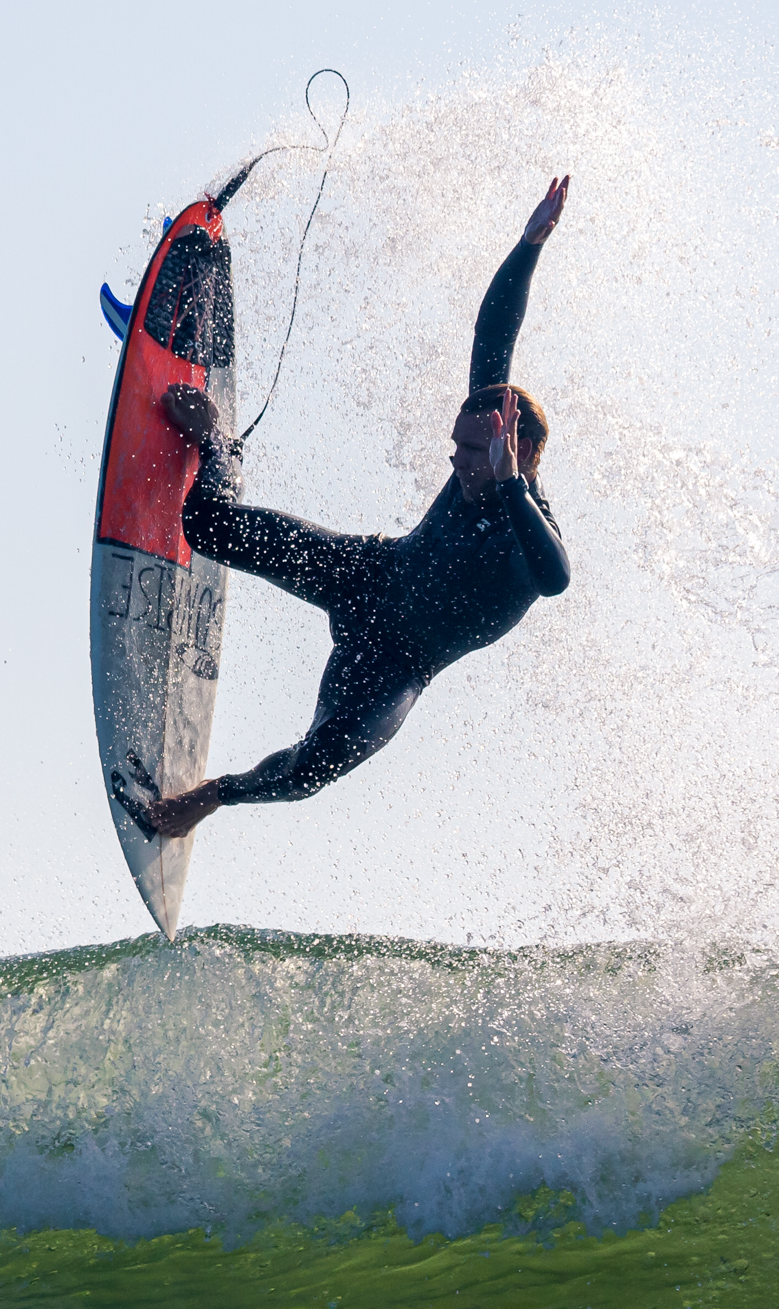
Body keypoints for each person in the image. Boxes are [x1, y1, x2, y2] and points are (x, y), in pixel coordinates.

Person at [111, 175, 575, 841]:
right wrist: (529, 244)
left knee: (310, 771)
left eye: (472, 451)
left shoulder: (526, 527)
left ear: (518, 450)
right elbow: (493, 331)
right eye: (456, 444)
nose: (456, 461)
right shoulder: (481, 448)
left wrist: (507, 487)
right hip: (362, 573)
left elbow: (555, 578)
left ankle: (204, 800)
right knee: (205, 525)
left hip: (394, 667)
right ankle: (219, 445)